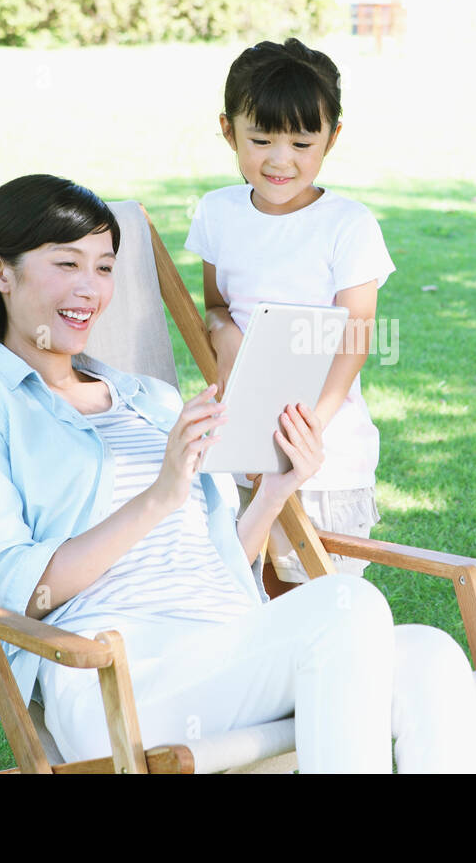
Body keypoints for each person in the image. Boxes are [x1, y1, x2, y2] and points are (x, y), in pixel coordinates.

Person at [0, 173, 476, 772]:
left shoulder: (153, 400)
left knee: (431, 654)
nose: (90, 289)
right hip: (114, 673)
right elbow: (14, 592)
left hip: (225, 646)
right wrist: (160, 497)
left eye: (106, 268)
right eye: (67, 264)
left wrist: (275, 492)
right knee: (347, 605)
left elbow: (214, 561)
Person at [186, 38, 394, 585]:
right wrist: (222, 331)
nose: (281, 160)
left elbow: (355, 338)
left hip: (324, 449)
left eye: (303, 142)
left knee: (321, 602)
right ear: (228, 130)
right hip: (238, 442)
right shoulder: (218, 212)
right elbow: (215, 303)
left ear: (333, 138)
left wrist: (311, 431)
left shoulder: (348, 225)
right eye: (260, 139)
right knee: (241, 592)